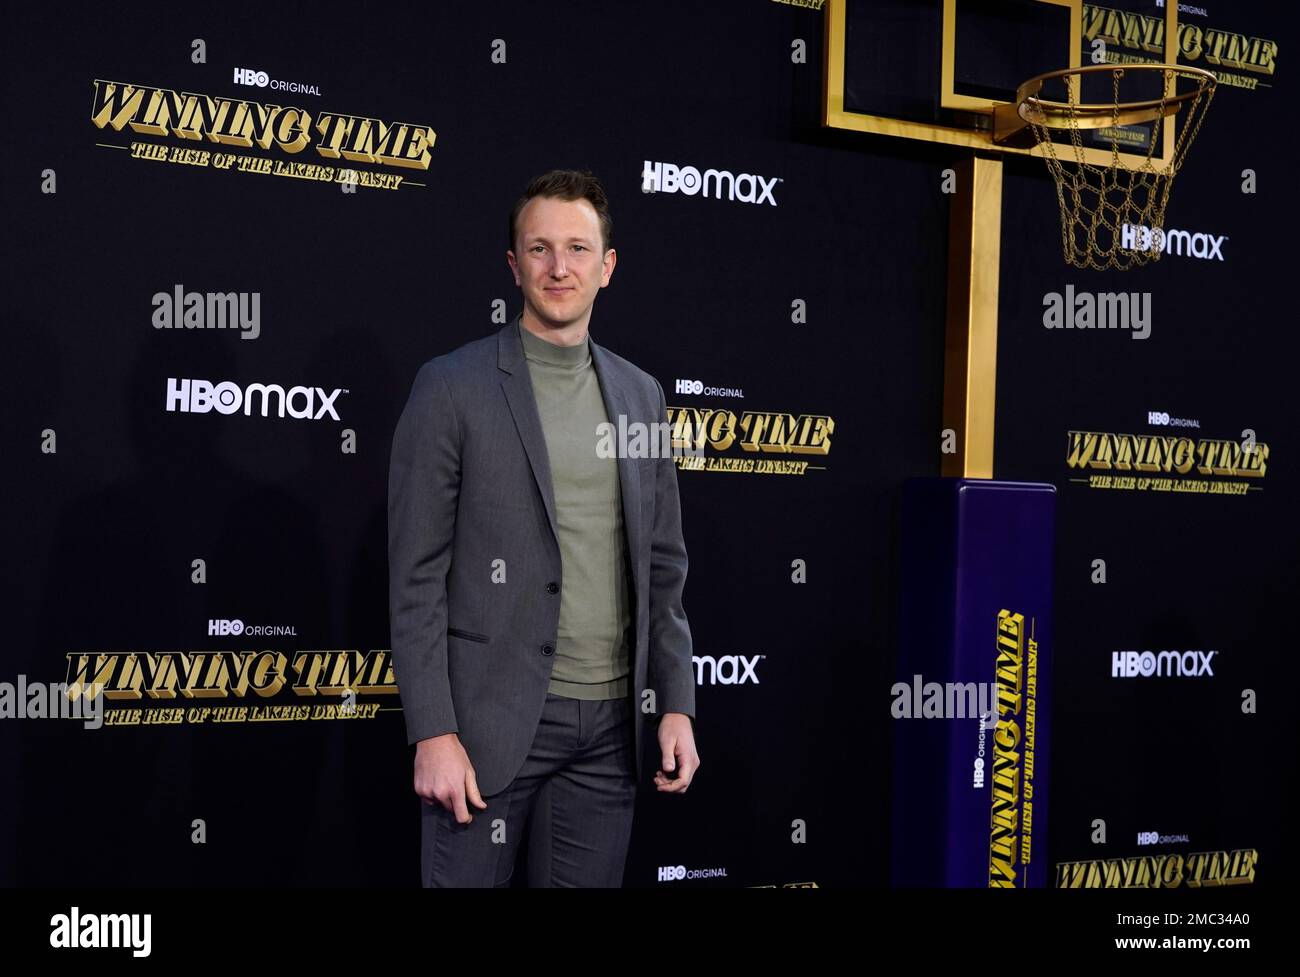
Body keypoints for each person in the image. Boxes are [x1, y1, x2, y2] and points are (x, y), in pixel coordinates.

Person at [387, 168, 700, 887]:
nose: (560, 267)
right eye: (540, 249)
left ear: (607, 266)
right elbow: (415, 577)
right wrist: (432, 729)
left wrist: (676, 704)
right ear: (514, 264)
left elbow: (664, 568)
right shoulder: (451, 386)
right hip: (483, 727)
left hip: (611, 733)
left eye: (578, 249)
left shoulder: (642, 396)